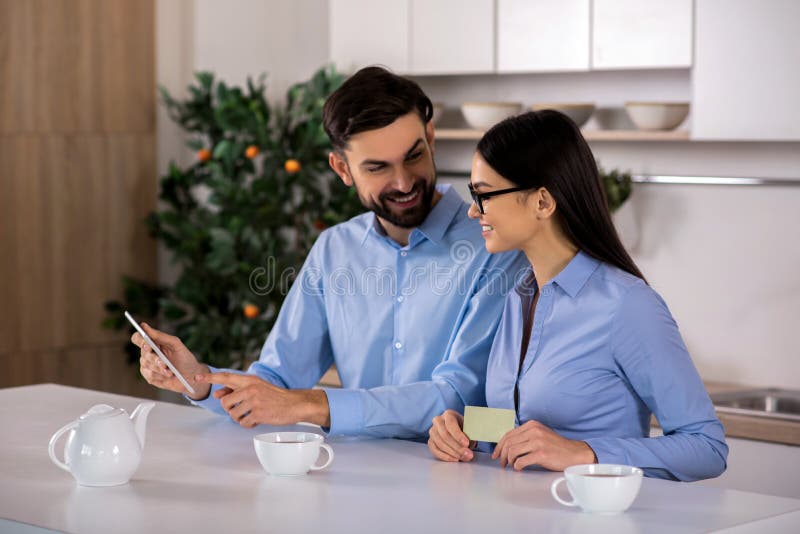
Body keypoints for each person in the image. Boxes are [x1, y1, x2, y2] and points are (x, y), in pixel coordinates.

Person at [132, 66, 527, 439]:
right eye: (377, 168)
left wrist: (314, 405)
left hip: (461, 475)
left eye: (414, 155)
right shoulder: (334, 250)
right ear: (342, 169)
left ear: (431, 139)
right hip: (349, 476)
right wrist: (198, 378)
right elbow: (279, 381)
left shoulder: (494, 244)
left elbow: (458, 397)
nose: (404, 181)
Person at [427, 110, 728, 481]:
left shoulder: (627, 305)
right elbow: (521, 427)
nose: (474, 210)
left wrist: (582, 453)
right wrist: (464, 431)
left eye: (484, 195)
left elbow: (707, 446)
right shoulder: (517, 299)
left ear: (542, 202)